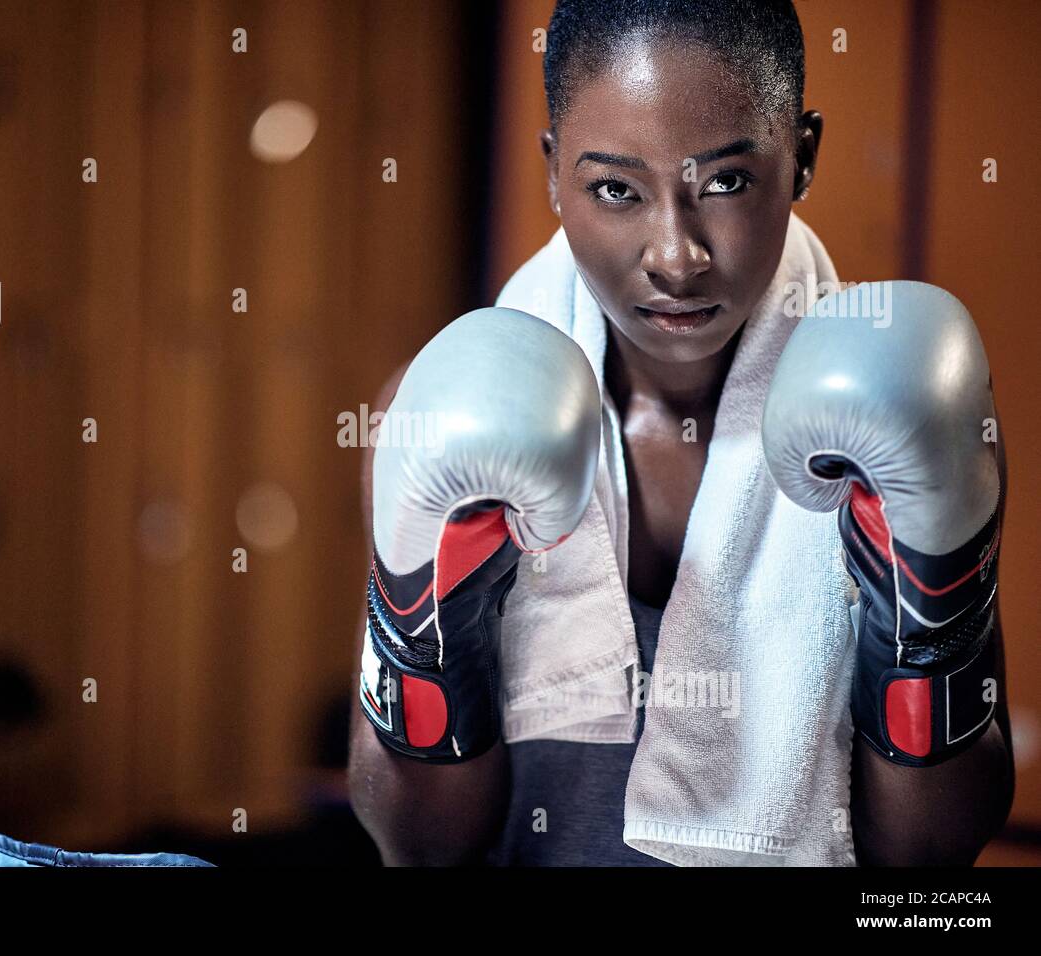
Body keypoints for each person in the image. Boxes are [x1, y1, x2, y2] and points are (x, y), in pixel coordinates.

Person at [347, 0, 1013, 866]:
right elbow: (418, 849)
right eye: (616, 189)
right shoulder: (430, 416)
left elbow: (929, 864)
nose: (676, 254)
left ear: (802, 155)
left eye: (725, 182)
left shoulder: (907, 408)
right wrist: (427, 634)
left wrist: (924, 620)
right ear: (554, 175)